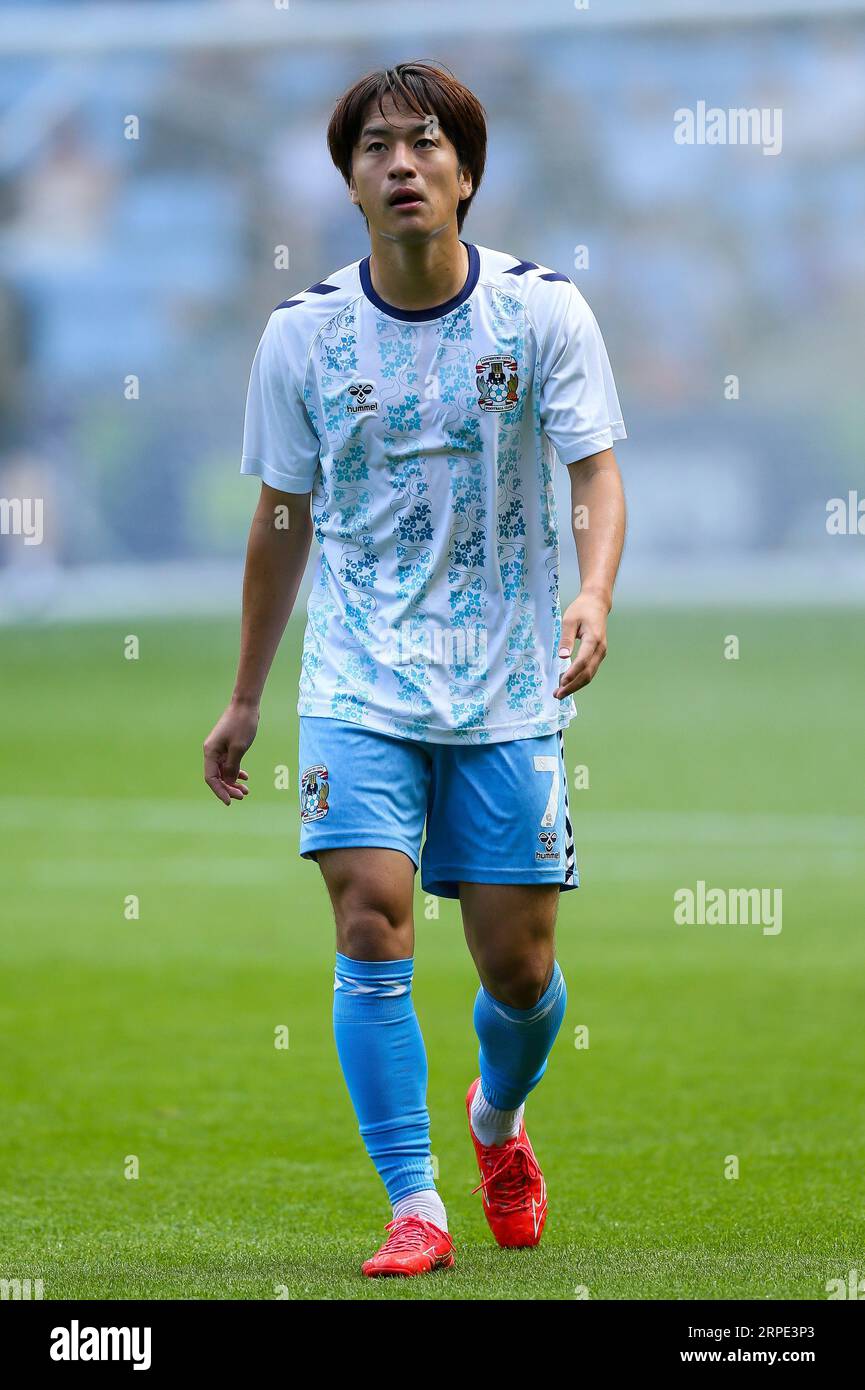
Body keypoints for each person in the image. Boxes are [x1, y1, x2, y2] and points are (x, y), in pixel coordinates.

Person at [204, 60, 626, 1279]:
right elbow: (282, 519)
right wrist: (245, 695)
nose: (402, 163)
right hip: (358, 679)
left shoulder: (543, 314)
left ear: (467, 174)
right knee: (370, 921)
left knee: (519, 965)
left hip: (507, 685)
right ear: (347, 183)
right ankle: (415, 1202)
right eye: (376, 147)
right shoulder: (304, 337)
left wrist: (591, 593)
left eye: (426, 143)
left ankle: (498, 1119)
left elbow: (594, 473)